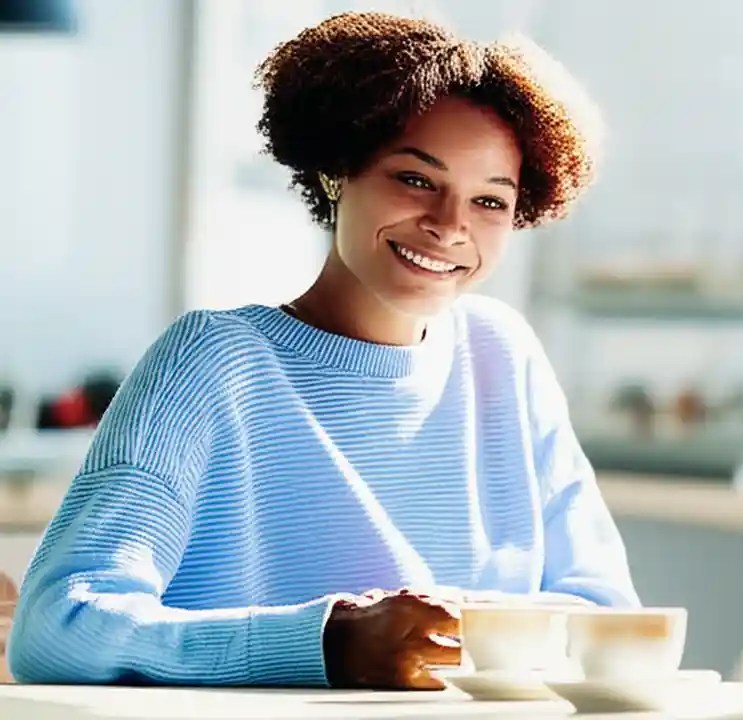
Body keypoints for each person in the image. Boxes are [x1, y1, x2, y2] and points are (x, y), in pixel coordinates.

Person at [9, 12, 638, 690]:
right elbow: (58, 626)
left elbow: (609, 618)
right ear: (337, 170)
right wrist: (322, 644)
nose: (450, 225)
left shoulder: (504, 358)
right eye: (415, 179)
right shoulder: (213, 363)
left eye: (489, 201)